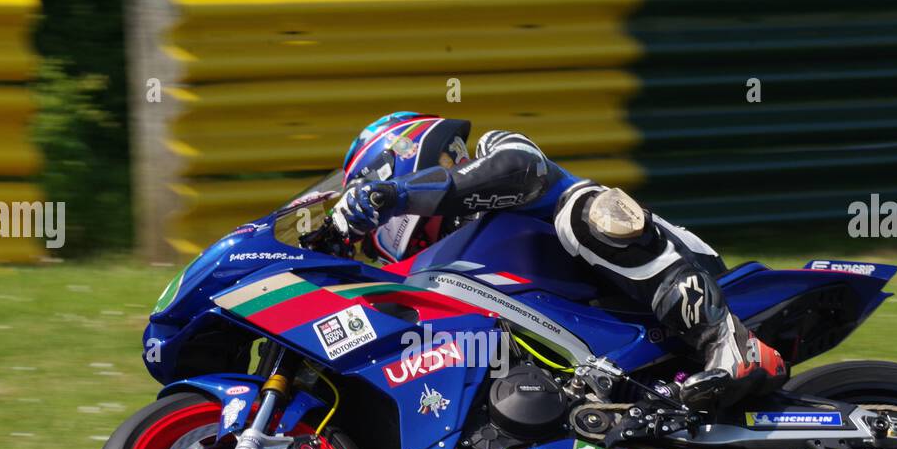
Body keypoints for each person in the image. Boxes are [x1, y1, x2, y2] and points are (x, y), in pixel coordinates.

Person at [327, 111, 787, 409]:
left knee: (581, 209)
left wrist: (398, 195)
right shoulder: (446, 270)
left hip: (691, 276)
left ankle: (727, 340)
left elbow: (521, 168)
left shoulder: (498, 152)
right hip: (614, 355)